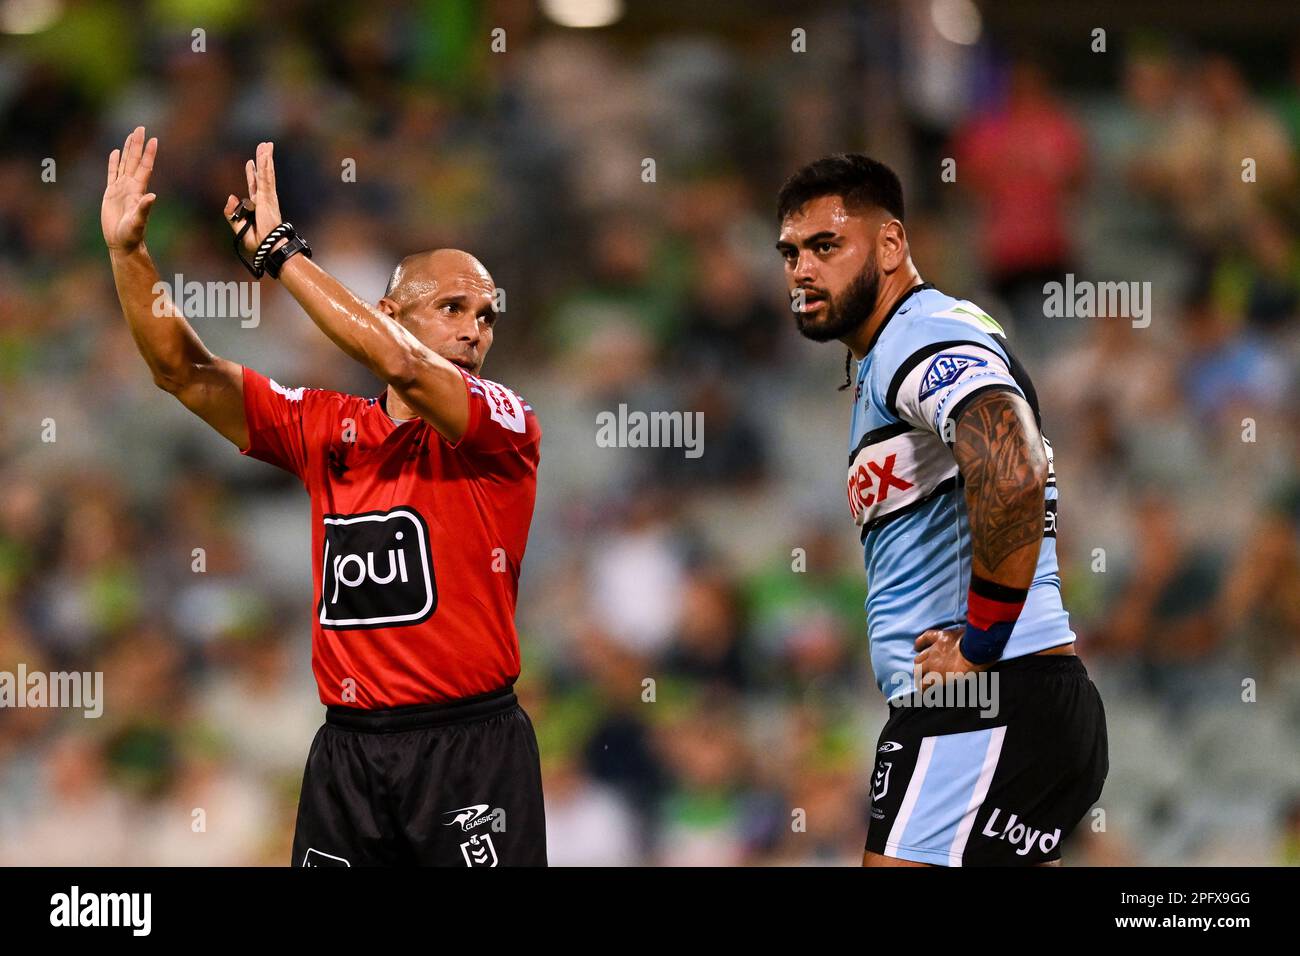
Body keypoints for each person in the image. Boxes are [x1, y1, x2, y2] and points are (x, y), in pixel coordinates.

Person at [102, 126, 546, 866]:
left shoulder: (502, 423)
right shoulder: (324, 427)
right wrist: (128, 255)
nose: (475, 330)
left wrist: (284, 256)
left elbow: (405, 368)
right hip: (348, 751)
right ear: (390, 309)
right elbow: (185, 372)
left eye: (487, 316)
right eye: (453, 308)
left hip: (470, 748)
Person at [773, 153, 1107, 866]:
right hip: (1013, 703)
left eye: (827, 246)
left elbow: (1013, 464)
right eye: (792, 253)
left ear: (892, 244)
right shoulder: (889, 354)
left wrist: (982, 640)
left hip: (983, 699)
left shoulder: (914, 337)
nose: (803, 270)